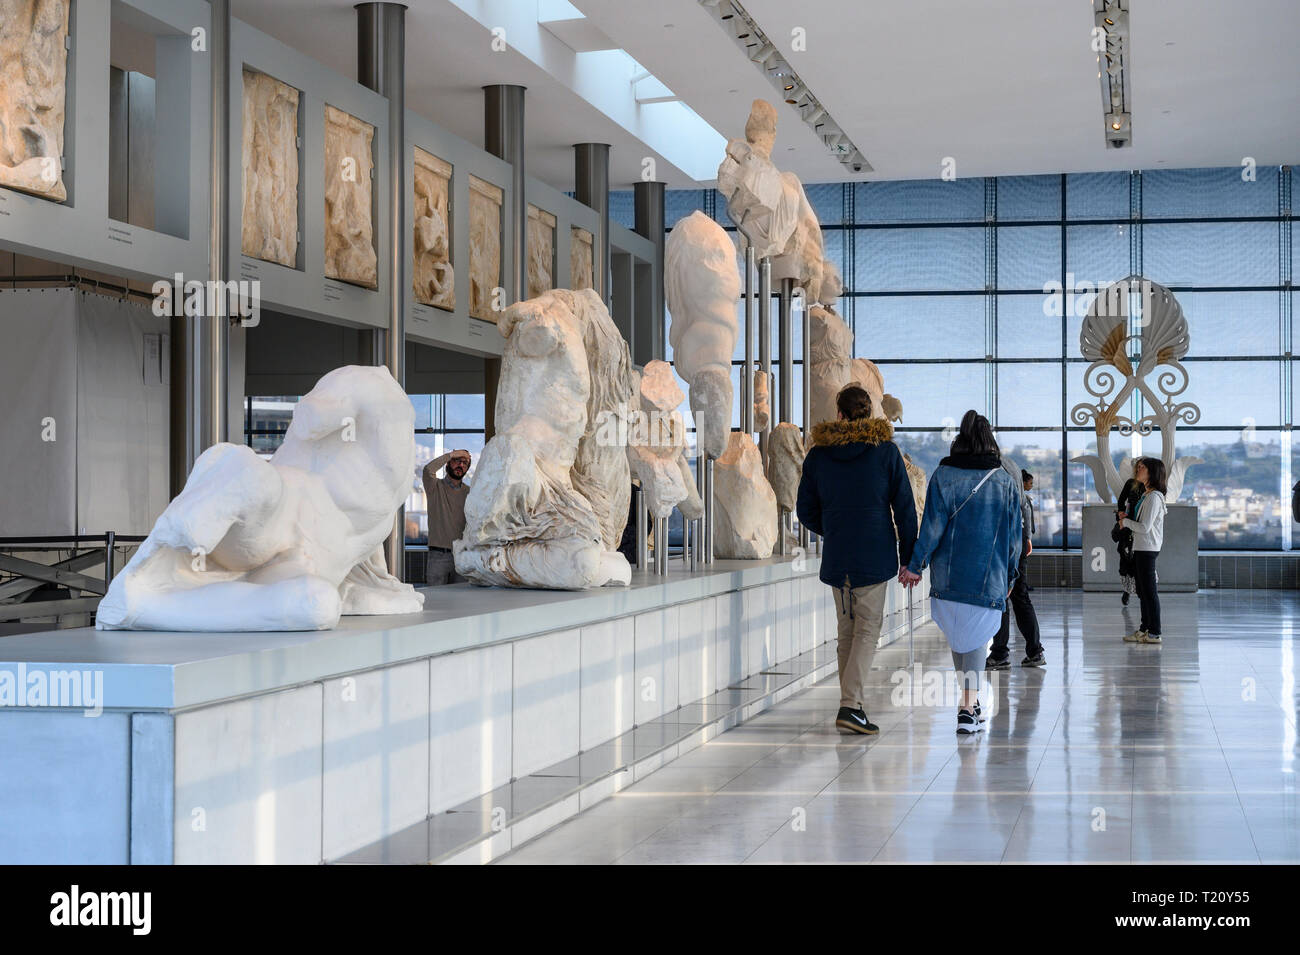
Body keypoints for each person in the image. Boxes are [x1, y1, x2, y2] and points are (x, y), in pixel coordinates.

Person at [797, 385, 917, 736]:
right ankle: (850, 706)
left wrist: (833, 528)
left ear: (839, 414)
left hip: (838, 557)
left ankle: (854, 704)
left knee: (847, 631)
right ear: (870, 413)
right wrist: (909, 556)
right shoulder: (886, 453)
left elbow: (805, 509)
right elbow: (905, 510)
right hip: (875, 554)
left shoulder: (818, 456)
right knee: (867, 631)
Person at [900, 410, 1021, 735]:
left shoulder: (943, 475)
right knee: (976, 640)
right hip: (988, 576)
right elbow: (1014, 538)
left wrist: (915, 565)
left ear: (959, 441)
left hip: (949, 577)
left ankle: (970, 702)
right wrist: (1010, 575)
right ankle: (967, 707)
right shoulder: (1004, 482)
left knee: (961, 639)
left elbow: (932, 527)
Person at [986, 455, 1045, 669]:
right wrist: (1026, 536)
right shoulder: (1011, 463)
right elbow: (1024, 506)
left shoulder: (992, 466)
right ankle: (1035, 650)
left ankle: (1000, 653)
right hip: (1017, 536)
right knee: (1020, 596)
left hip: (1001, 538)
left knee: (1000, 596)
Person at [1119, 457, 1167, 644]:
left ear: (1152, 473)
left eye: (1142, 468)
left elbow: (1145, 526)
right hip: (1141, 547)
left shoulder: (1154, 497)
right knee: (1143, 592)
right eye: (1138, 467)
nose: (1138, 470)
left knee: (1149, 592)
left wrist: (1125, 522)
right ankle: (1144, 629)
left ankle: (1154, 632)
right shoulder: (1147, 495)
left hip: (1147, 547)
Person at [421, 449, 472, 585]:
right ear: (448, 464)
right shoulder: (434, 486)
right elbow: (428, 470)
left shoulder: (470, 492)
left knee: (461, 601)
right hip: (438, 555)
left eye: (465, 463)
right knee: (436, 600)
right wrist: (450, 455)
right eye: (456, 461)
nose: (460, 465)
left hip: (462, 555)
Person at [1113, 475, 1144, 605]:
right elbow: (1121, 500)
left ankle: (1140, 591)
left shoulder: (1150, 487)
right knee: (1125, 556)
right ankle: (1127, 590)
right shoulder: (1131, 483)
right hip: (1127, 523)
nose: (1139, 470)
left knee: (1139, 559)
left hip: (1141, 525)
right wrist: (1120, 512)